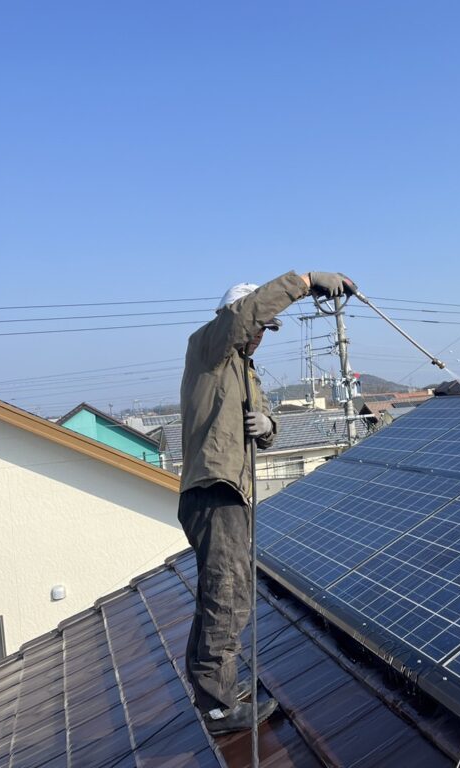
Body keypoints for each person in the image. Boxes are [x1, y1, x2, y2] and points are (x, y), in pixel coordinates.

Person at [178, 270, 348, 735]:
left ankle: (215, 687)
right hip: (214, 490)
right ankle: (218, 707)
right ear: (232, 319)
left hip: (231, 490)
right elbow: (247, 314)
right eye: (257, 328)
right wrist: (307, 280)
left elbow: (266, 423)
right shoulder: (208, 349)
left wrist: (267, 428)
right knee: (228, 593)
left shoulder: (243, 373)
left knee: (223, 590)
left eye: (264, 333)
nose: (259, 337)